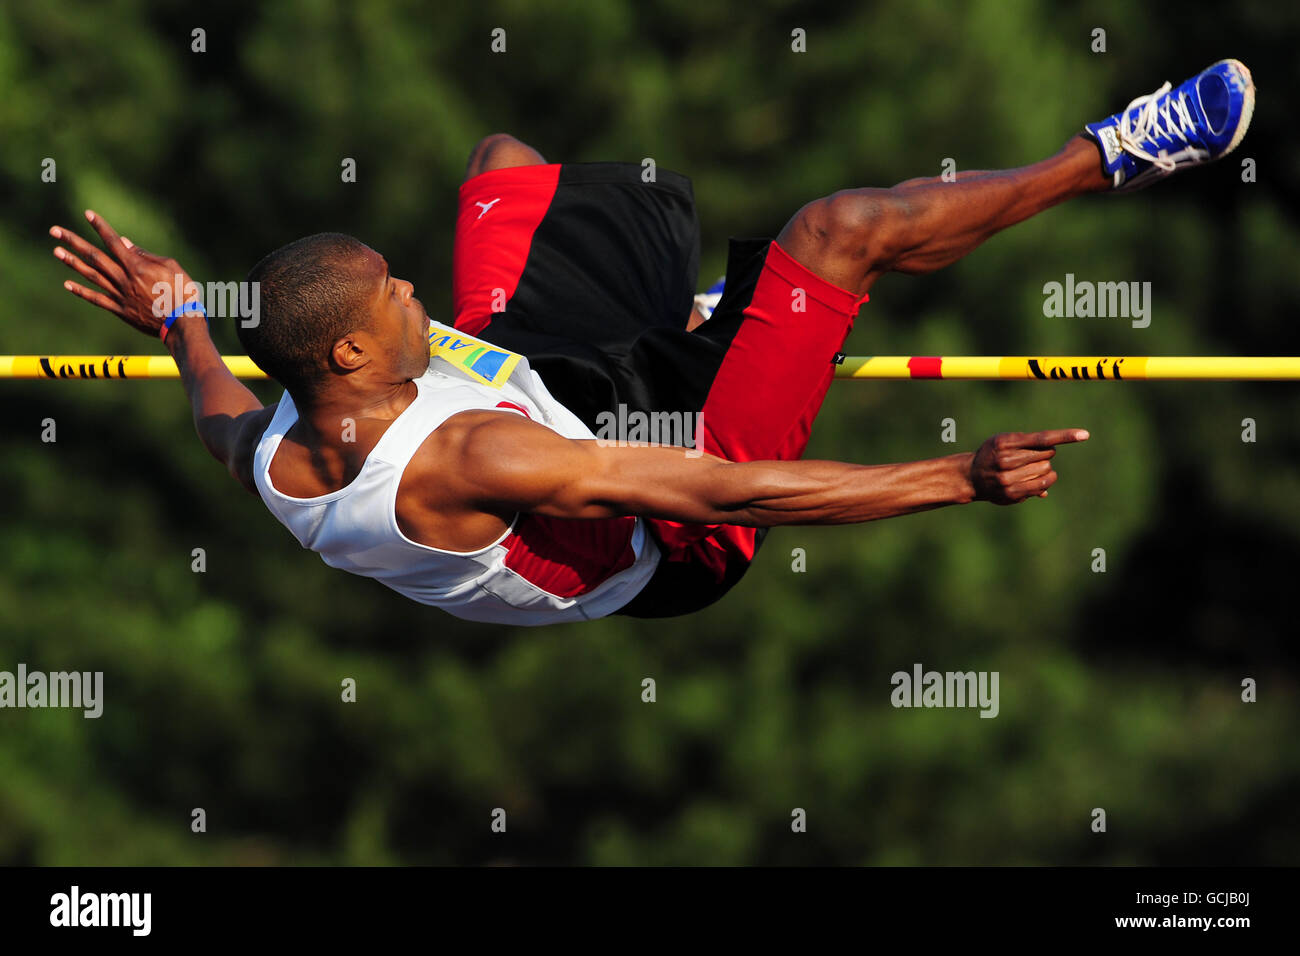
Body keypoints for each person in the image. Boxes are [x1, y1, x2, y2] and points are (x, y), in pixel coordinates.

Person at [50, 59, 1253, 625]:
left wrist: (175, 309)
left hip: (554, 383)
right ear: (356, 362)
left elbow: (214, 406)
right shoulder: (474, 460)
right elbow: (731, 486)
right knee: (838, 231)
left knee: (502, 168)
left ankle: (688, 318)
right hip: (675, 530)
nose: (414, 291)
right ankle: (1112, 154)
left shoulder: (275, 446)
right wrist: (956, 476)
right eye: (392, 299)